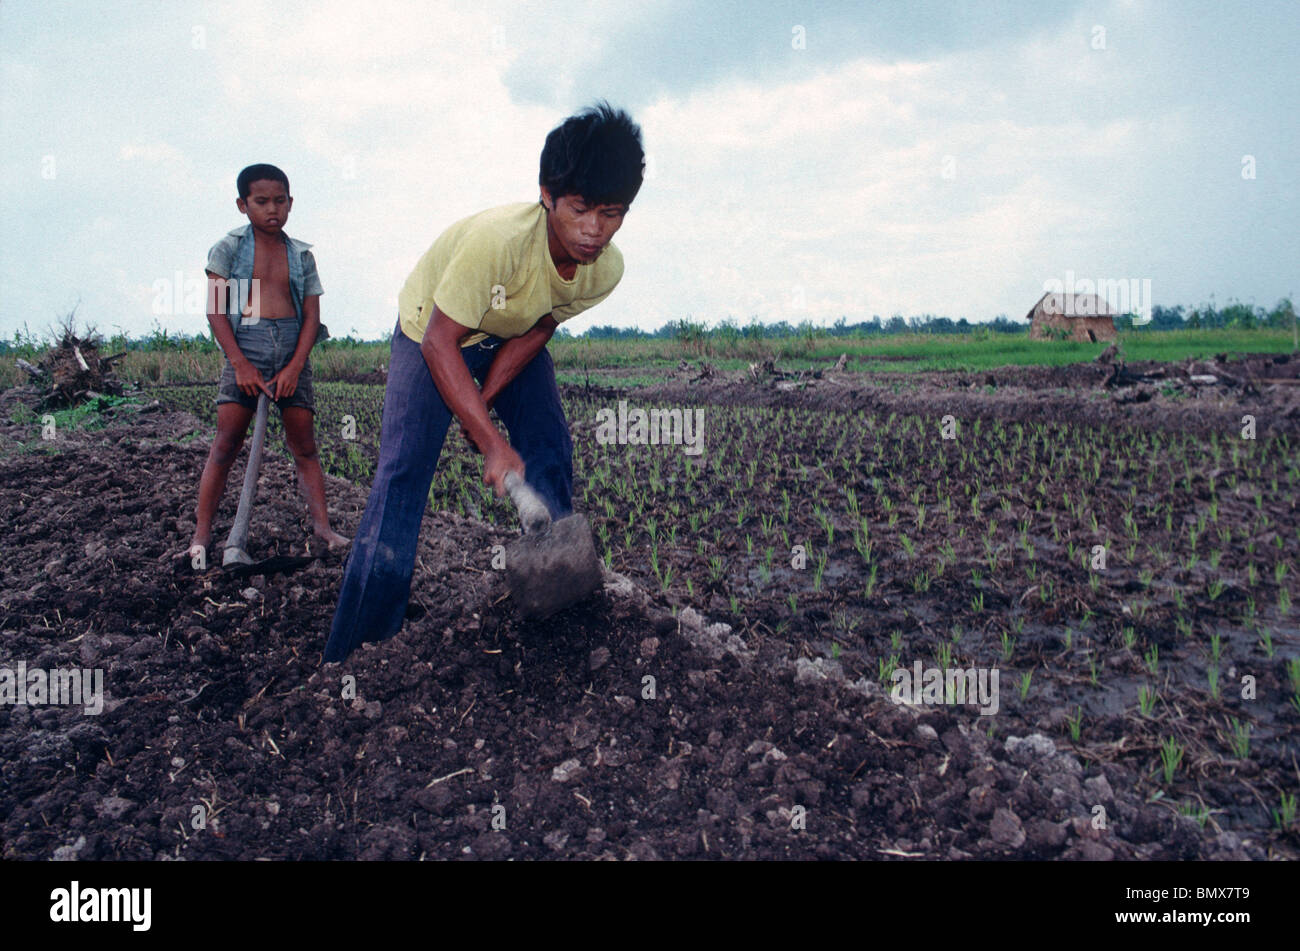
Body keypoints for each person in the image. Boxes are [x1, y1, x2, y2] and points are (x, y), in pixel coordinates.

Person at [324, 103, 644, 663]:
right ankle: (358, 651)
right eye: (581, 209)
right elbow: (439, 343)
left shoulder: (605, 269)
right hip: (433, 331)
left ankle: (560, 600)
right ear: (547, 194)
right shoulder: (497, 243)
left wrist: (485, 402)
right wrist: (490, 440)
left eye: (612, 213)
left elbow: (541, 324)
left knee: (548, 449)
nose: (595, 230)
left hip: (511, 335)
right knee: (402, 477)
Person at [187, 163, 349, 567]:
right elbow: (216, 312)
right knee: (225, 445)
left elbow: (311, 317)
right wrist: (239, 364)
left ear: (290, 203)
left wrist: (296, 366)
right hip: (248, 345)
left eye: (280, 201)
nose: (271, 209)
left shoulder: (301, 255)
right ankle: (202, 536)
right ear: (243, 205)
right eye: (261, 202)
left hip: (293, 346)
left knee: (305, 447)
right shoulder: (229, 249)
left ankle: (324, 529)